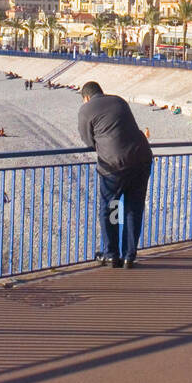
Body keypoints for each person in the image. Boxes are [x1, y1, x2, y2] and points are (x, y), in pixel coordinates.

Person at [78, 80, 154, 269]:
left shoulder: (86, 110)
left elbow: (88, 141)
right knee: (132, 209)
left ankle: (111, 254)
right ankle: (129, 256)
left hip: (114, 166)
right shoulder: (119, 101)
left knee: (111, 208)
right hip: (141, 159)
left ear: (86, 97)